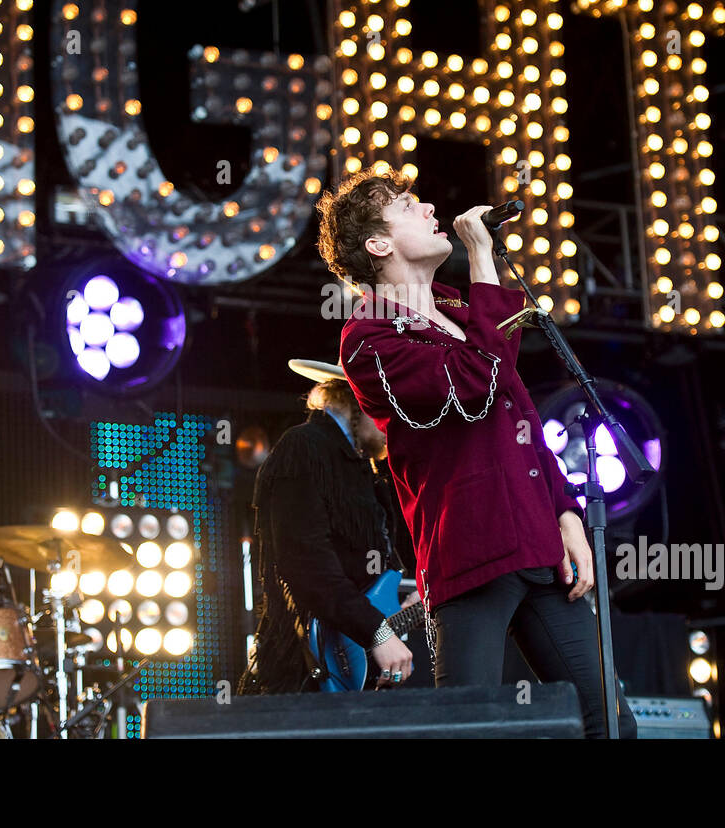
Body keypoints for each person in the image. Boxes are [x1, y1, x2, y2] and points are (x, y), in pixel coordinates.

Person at [316, 167, 637, 737]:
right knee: (472, 729)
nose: (430, 209)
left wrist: (563, 511)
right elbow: (476, 384)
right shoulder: (369, 337)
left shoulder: (462, 310)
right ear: (378, 243)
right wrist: (482, 260)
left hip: (537, 542)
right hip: (470, 554)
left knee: (608, 725)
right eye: (410, 205)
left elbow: (521, 416)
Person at [239, 362, 418, 694]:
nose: (394, 426)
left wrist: (401, 610)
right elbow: (306, 564)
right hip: (304, 665)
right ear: (360, 398)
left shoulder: (364, 466)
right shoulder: (303, 445)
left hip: (356, 669)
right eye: (389, 410)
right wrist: (377, 633)